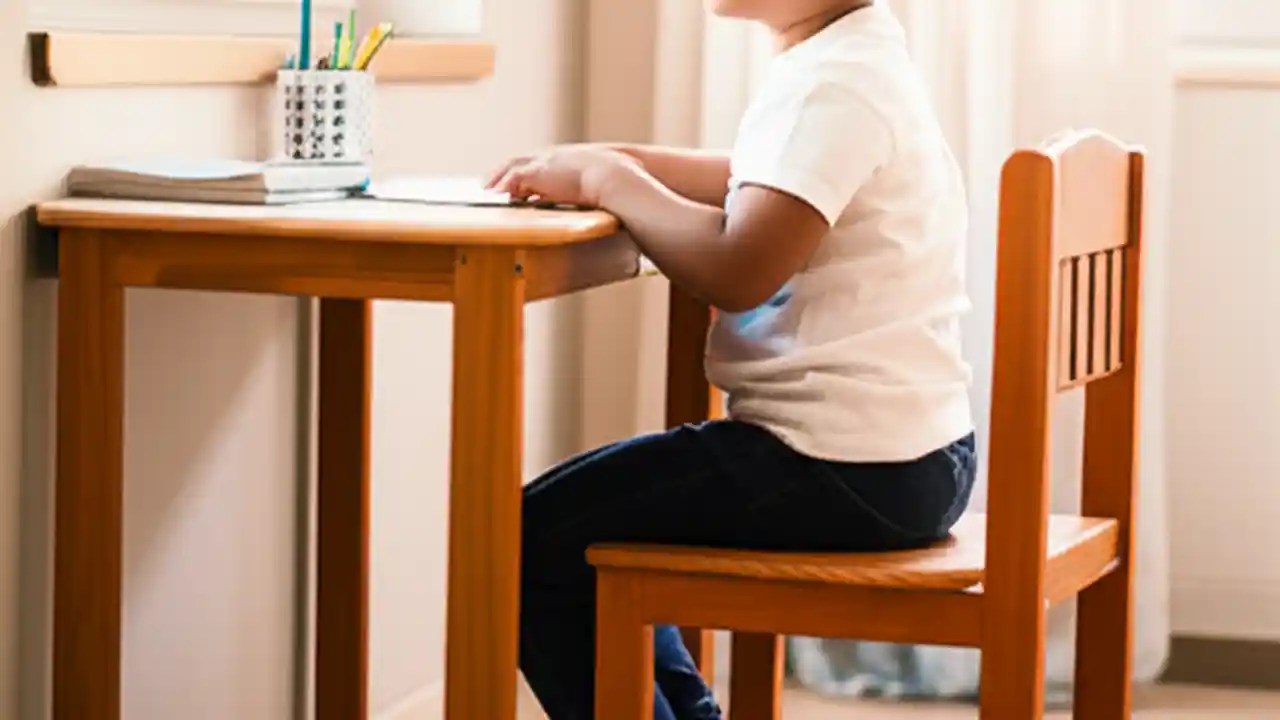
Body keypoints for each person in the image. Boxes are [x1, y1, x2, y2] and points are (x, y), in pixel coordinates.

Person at [487, 1, 976, 717]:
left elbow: (738, 267)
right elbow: (751, 176)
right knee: (579, 528)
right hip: (906, 455)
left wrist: (607, 184)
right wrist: (611, 159)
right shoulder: (851, 60)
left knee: (528, 542)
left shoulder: (837, 85)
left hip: (840, 464)